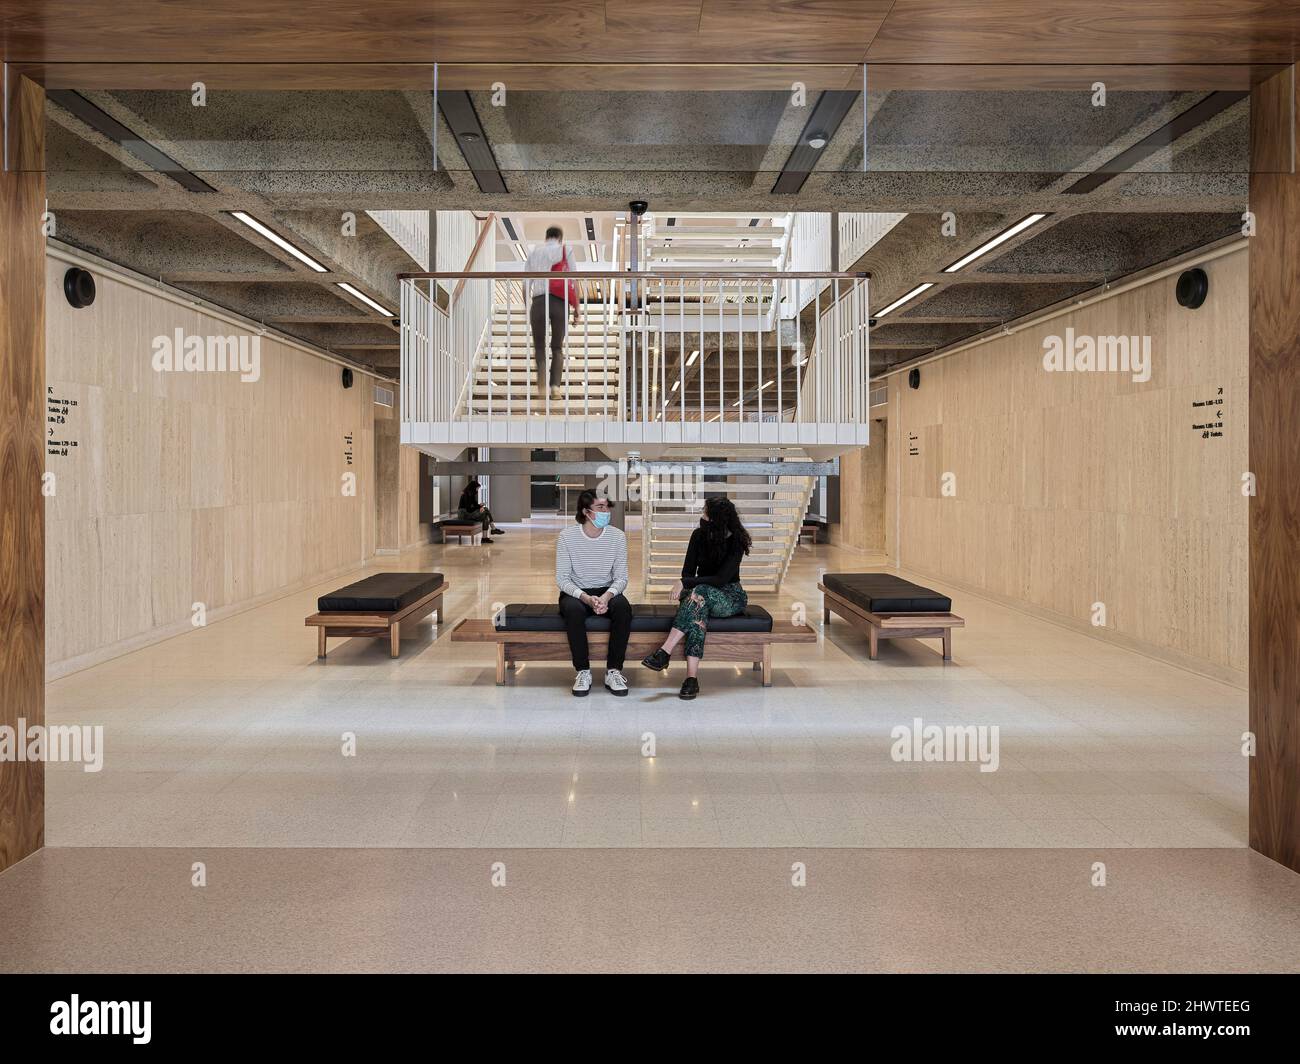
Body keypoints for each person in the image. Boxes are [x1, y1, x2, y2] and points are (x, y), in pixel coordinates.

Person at [641, 495, 751, 700]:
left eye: (705, 512)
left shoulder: (736, 540)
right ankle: (691, 679)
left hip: (729, 596)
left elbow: (720, 580)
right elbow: (688, 572)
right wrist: (688, 585)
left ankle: (665, 651)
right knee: (696, 613)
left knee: (698, 595)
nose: (702, 515)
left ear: (715, 518)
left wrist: (687, 585)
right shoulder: (698, 536)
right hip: (699, 593)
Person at [555, 490, 631, 697]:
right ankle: (583, 671)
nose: (607, 511)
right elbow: (562, 579)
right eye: (601, 507)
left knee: (623, 608)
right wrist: (586, 598)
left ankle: (613, 671)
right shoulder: (566, 537)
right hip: (577, 593)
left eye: (607, 507)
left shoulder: (617, 536)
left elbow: (622, 578)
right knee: (573, 611)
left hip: (607, 591)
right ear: (586, 512)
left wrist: (606, 597)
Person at [524, 225, 580, 401]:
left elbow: (526, 284)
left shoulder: (534, 253)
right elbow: (573, 280)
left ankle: (541, 380)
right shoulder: (566, 250)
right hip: (559, 302)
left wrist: (528, 307)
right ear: (560, 238)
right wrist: (577, 308)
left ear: (546, 237)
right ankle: (555, 387)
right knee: (557, 347)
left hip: (538, 302)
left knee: (539, 346)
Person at [457, 478, 504, 543]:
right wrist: (479, 509)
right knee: (485, 510)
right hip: (464, 514)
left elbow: (474, 505)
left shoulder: (471, 495)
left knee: (485, 517)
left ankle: (485, 538)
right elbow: (468, 509)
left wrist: (480, 506)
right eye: (477, 488)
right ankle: (493, 529)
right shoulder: (466, 494)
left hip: (468, 513)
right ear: (473, 488)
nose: (477, 490)